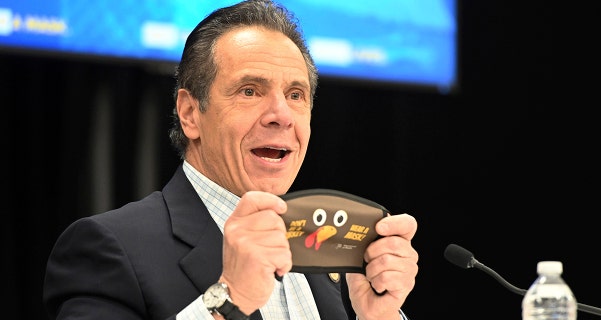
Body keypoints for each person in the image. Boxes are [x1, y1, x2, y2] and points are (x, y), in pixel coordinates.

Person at [42, 0, 419, 319]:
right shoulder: (108, 248)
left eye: (295, 94)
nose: (281, 115)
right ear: (190, 113)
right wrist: (229, 298)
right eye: (250, 90)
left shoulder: (324, 259)